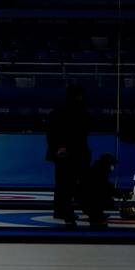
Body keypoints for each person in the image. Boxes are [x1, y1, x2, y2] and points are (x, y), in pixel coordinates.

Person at [46, 84, 91, 228]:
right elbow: (54, 132)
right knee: (68, 184)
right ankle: (65, 211)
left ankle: (61, 210)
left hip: (69, 152)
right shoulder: (73, 111)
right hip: (70, 153)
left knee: (63, 183)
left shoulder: (62, 111)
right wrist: (59, 147)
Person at [81, 153, 118, 230]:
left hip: (86, 198)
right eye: (112, 165)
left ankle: (96, 213)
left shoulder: (98, 170)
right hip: (88, 199)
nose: (113, 167)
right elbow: (106, 189)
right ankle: (95, 215)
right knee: (108, 200)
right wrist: (119, 194)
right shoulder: (99, 173)